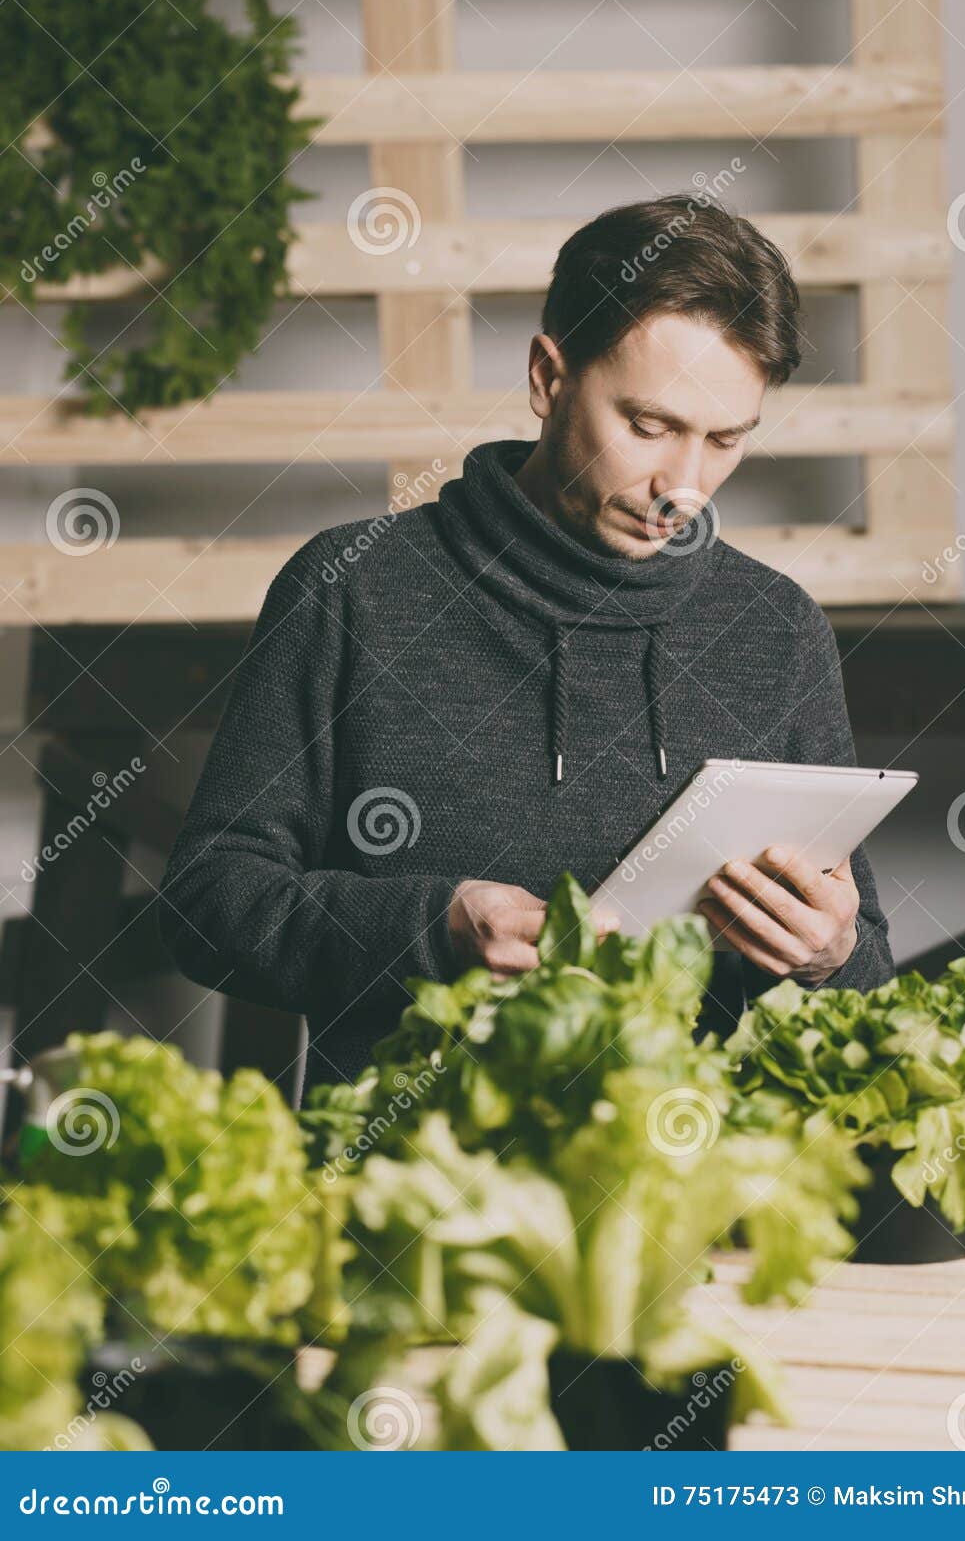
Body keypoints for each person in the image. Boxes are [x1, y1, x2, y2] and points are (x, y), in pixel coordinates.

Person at [158, 194, 894, 1098]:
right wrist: (435, 928)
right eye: (648, 426)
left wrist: (831, 956)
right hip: (407, 1189)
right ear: (548, 377)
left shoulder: (776, 628)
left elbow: (869, 978)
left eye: (724, 440)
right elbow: (206, 903)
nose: (683, 486)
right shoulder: (353, 588)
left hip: (693, 1190)